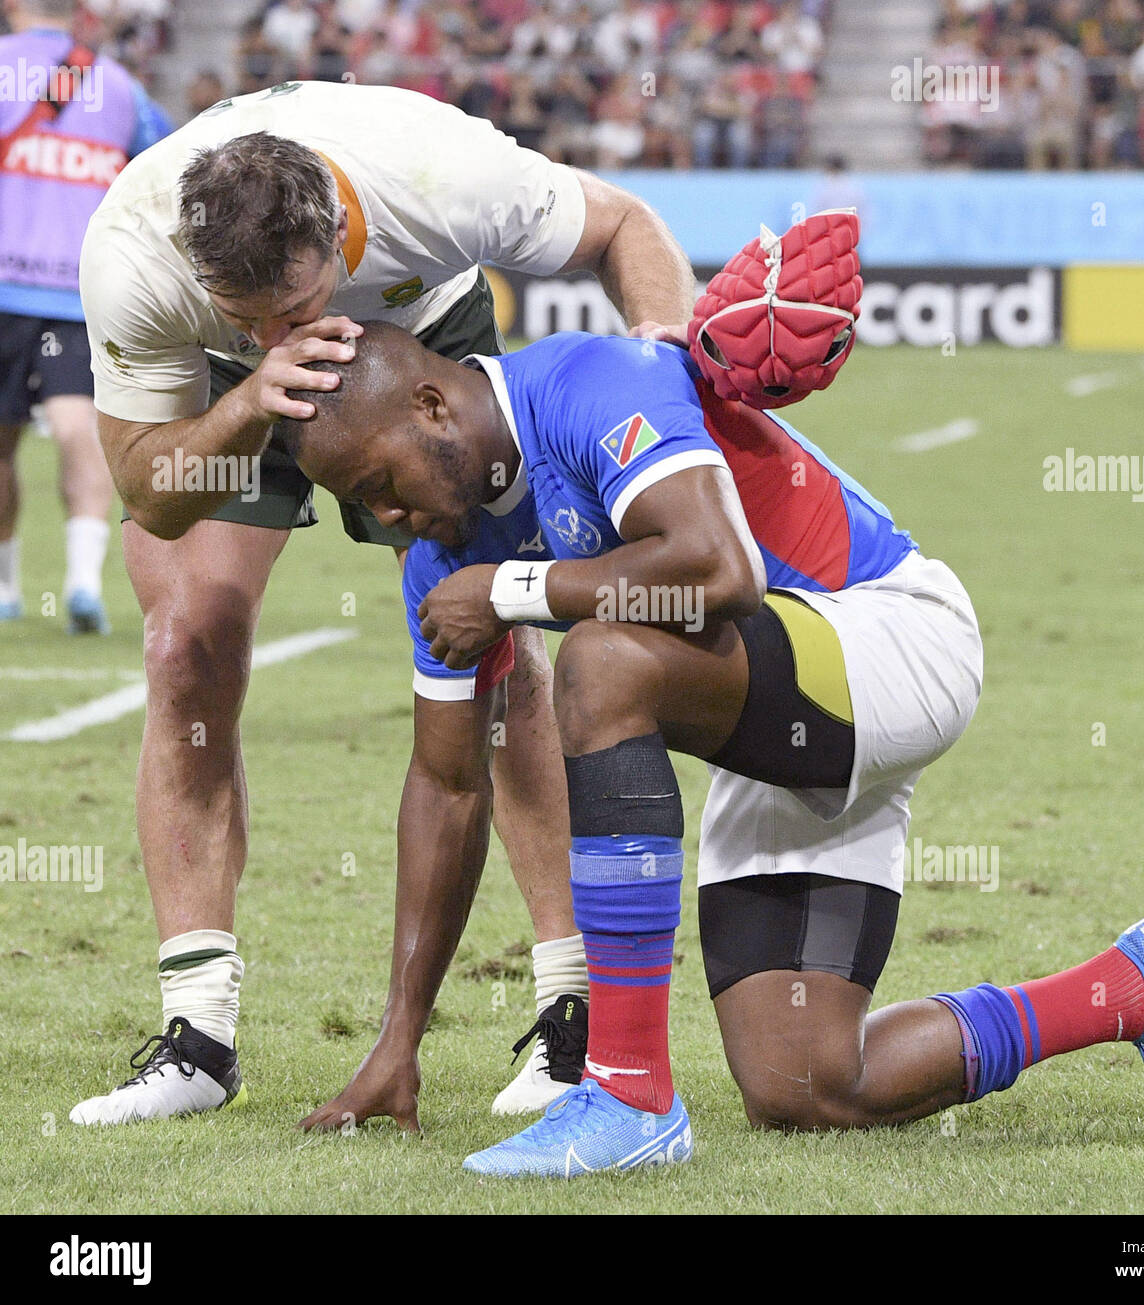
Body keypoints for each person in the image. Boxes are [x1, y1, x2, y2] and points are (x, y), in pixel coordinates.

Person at [286, 321, 1144, 1174]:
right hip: (776, 712)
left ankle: (627, 1093)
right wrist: (396, 1041)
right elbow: (447, 784)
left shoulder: (587, 380)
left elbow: (719, 567)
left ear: (431, 404)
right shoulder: (444, 560)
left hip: (892, 631)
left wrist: (512, 591)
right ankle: (1130, 986)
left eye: (381, 486)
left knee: (600, 663)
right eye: (360, 511)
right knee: (808, 1085)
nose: (389, 522)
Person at [70, 79, 697, 1126]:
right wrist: (246, 391)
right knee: (187, 645)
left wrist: (665, 372)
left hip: (422, 336)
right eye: (249, 313)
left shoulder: (436, 174)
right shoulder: (135, 252)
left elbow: (623, 225)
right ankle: (199, 1033)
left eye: (298, 308)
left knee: (497, 640)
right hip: (225, 397)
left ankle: (570, 1007)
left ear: (339, 232)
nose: (282, 330)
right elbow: (147, 494)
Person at [0, 0, 171, 631]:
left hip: (6, 291)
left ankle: (8, 586)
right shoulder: (118, 83)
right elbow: (166, 168)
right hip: (79, 292)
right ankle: (81, 582)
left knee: (2, 443)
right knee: (80, 432)